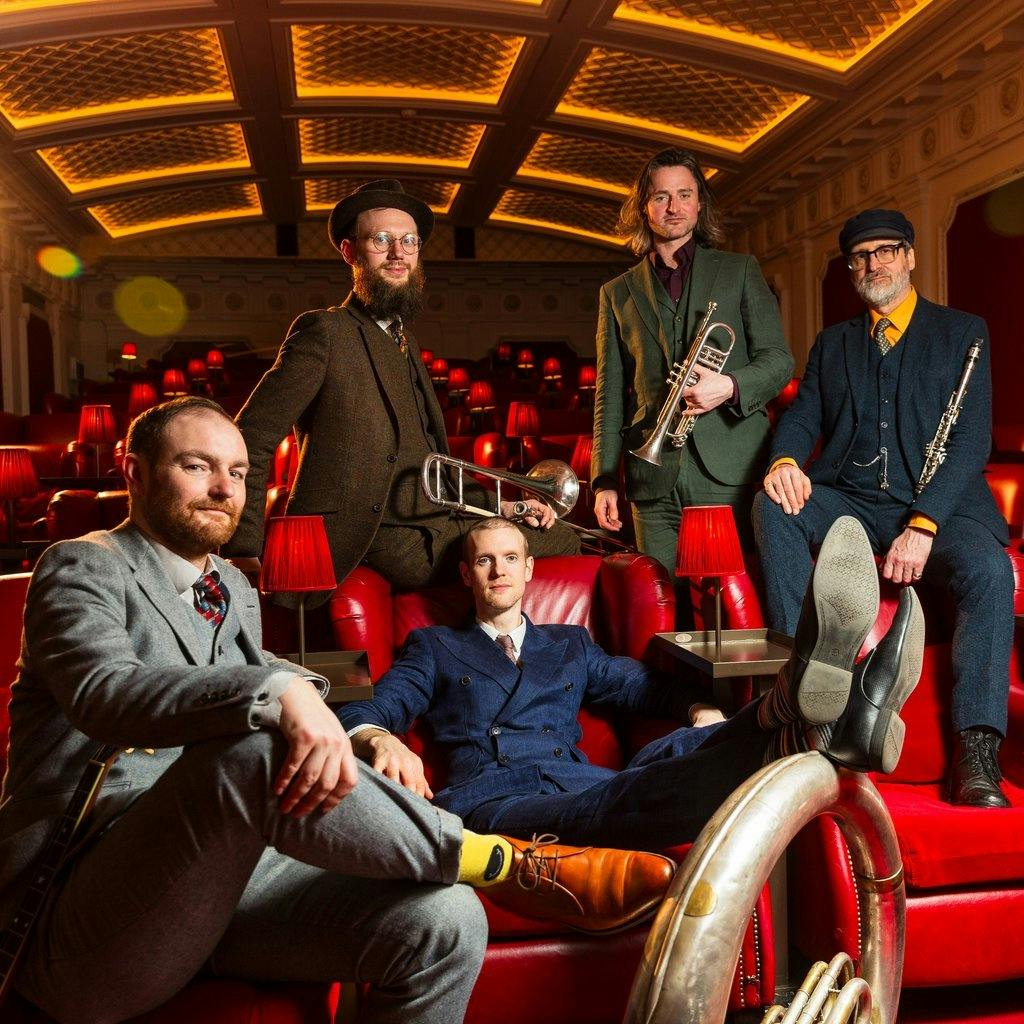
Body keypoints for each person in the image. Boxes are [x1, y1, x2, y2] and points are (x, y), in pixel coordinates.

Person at [0, 398, 673, 1024]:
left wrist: (330, 712)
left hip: (224, 891)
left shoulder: (229, 585)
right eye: (196, 466)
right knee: (255, 747)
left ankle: (480, 871)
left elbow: (255, 673)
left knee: (449, 918)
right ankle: (506, 863)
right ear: (135, 473)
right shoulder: (82, 567)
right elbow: (106, 695)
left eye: (237, 471)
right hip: (87, 906)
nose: (224, 488)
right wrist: (281, 695)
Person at [337, 514, 924, 851]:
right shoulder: (435, 646)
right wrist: (375, 737)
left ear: (529, 569)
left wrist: (697, 705)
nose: (499, 571)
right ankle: (828, 712)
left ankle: (807, 718)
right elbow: (378, 704)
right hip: (495, 799)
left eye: (511, 558)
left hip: (578, 778)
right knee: (624, 793)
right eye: (485, 561)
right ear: (467, 574)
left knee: (675, 750)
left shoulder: (568, 644)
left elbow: (639, 686)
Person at [753, 208, 1015, 809]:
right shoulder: (834, 343)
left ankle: (977, 754)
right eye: (861, 257)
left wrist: (923, 525)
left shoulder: (962, 332)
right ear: (851, 270)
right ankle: (806, 692)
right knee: (774, 508)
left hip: (938, 508)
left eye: (886, 251)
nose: (874, 265)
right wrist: (785, 463)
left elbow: (972, 442)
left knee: (989, 571)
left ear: (911, 257)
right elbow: (803, 417)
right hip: (851, 497)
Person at [224, 178, 578, 599]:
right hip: (376, 532)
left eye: (408, 242)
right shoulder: (325, 331)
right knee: (565, 542)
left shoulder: (404, 342)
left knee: (565, 531)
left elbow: (432, 461)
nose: (398, 253)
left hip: (435, 520)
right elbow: (248, 438)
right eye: (381, 240)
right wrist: (243, 549)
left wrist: (502, 505)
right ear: (350, 252)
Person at [591, 148, 794, 569]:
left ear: (700, 203)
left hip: (728, 468)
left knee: (721, 602)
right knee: (660, 602)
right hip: (650, 477)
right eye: (661, 197)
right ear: (644, 208)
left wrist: (730, 385)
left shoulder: (739, 270)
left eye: (684, 194)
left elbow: (778, 360)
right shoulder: (617, 292)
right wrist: (605, 480)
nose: (674, 207)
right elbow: (610, 397)